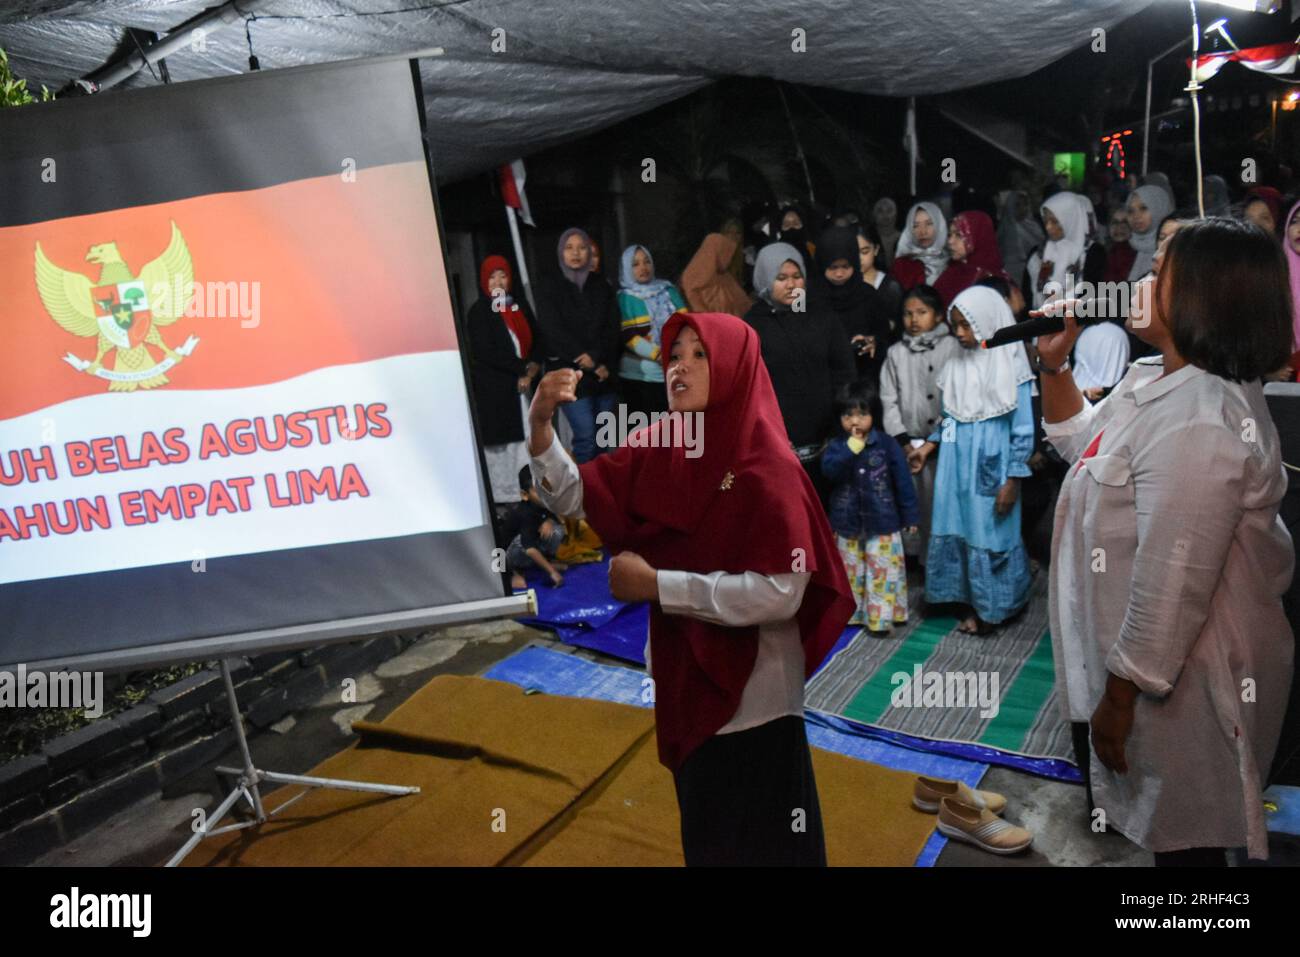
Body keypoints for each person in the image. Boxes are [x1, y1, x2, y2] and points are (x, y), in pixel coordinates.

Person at [526, 311, 855, 866]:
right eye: (674, 355)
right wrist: (539, 427)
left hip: (758, 697)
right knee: (709, 840)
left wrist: (659, 586)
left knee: (771, 845)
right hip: (683, 677)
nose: (680, 367)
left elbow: (782, 591)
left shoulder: (767, 464)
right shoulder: (661, 446)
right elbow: (577, 496)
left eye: (700, 354)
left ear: (735, 366)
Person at [1037, 217, 1294, 864]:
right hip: (1144, 661)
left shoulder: (1203, 423)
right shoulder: (1153, 376)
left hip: (1183, 677)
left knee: (1187, 841)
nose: (1142, 282)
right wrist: (1055, 365)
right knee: (1172, 831)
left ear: (1204, 296)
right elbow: (1082, 447)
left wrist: (1118, 701)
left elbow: (1169, 588)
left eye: (1160, 271)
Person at [909, 286, 1036, 634]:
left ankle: (994, 608)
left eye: (967, 325)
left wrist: (1013, 479)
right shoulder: (957, 364)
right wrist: (929, 447)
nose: (961, 334)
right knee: (958, 528)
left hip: (992, 466)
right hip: (954, 465)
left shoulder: (1012, 364)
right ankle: (966, 600)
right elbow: (951, 418)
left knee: (989, 533)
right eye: (956, 326)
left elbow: (1023, 429)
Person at [744, 243, 856, 502]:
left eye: (797, 276)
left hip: (828, 441)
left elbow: (844, 372)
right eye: (781, 278)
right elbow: (750, 389)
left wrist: (838, 426)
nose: (791, 284)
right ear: (764, 279)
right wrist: (769, 436)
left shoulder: (822, 316)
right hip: (779, 445)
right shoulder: (752, 326)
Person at [821, 382, 918, 633]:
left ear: (873, 415)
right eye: (848, 415)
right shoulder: (836, 446)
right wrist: (849, 450)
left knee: (882, 570)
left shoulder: (887, 444)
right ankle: (853, 615)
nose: (855, 420)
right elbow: (829, 472)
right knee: (851, 571)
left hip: (883, 521)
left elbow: (903, 482)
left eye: (862, 414)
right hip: (847, 523)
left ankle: (880, 619)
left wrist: (910, 516)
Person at [881, 284, 962, 572]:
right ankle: (912, 562)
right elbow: (888, 399)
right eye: (907, 314)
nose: (914, 320)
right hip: (907, 443)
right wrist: (903, 440)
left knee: (939, 506)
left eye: (922, 312)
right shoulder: (895, 353)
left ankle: (939, 566)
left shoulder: (952, 348)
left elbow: (956, 400)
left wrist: (933, 443)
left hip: (942, 443)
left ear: (939, 316)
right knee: (910, 503)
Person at [533, 228, 621, 463]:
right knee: (586, 437)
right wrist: (588, 360)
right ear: (560, 252)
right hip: (571, 376)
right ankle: (581, 493)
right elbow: (553, 331)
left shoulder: (601, 285)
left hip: (603, 375)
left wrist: (600, 360)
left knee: (604, 441)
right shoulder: (550, 286)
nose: (576, 253)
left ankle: (601, 492)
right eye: (569, 248)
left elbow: (612, 328)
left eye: (581, 247)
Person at [465, 255, 540, 506]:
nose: (498, 281)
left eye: (503, 275)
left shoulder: (517, 306)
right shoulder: (480, 311)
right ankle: (504, 501)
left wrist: (530, 371)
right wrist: (520, 369)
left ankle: (531, 496)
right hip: (496, 393)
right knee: (502, 451)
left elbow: (536, 341)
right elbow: (486, 352)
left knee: (527, 445)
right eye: (492, 276)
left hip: (523, 390)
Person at [811, 225, 893, 383]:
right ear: (822, 264)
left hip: (860, 383)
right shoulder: (805, 295)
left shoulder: (869, 295)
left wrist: (872, 342)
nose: (839, 273)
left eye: (846, 266)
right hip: (818, 383)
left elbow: (886, 339)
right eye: (833, 267)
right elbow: (793, 332)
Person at [617, 244, 687, 416]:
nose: (643, 267)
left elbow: (686, 324)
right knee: (650, 435)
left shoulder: (668, 290)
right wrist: (659, 355)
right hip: (642, 377)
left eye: (647, 261)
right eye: (635, 264)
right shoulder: (625, 298)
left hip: (675, 370)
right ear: (627, 268)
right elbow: (628, 336)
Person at [500, 465, 566, 590]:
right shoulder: (525, 513)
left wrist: (549, 521)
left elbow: (560, 520)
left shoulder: (545, 504)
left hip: (531, 543)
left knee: (556, 530)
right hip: (507, 556)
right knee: (521, 542)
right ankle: (515, 572)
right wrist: (552, 572)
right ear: (525, 495)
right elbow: (529, 548)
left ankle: (546, 560)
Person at [1026, 192, 1087, 308]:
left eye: (1054, 221)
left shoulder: (1089, 256)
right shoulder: (1040, 254)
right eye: (1045, 221)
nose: (1048, 227)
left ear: (1070, 219)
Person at [934, 210, 1006, 306]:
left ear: (978, 237)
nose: (950, 241)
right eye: (949, 235)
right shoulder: (952, 271)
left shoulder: (991, 280)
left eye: (959, 235)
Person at [681, 231, 753, 316]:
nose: (728, 258)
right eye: (725, 253)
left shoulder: (722, 275)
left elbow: (741, 301)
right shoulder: (692, 279)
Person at [857, 222, 904, 343]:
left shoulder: (890, 287)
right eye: (853, 252)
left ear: (876, 249)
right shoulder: (841, 283)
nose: (858, 259)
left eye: (864, 251)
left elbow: (898, 327)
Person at [889, 202, 949, 293]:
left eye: (929, 223)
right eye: (915, 226)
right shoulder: (901, 265)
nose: (923, 231)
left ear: (939, 225)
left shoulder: (953, 261)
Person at [997, 189, 1045, 294]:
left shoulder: (1034, 226)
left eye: (1025, 204)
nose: (1022, 208)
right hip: (1011, 271)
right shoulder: (1006, 227)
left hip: (1032, 270)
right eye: (1017, 205)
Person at [1102, 207, 1136, 284]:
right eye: (1115, 222)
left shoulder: (1140, 255)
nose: (1120, 227)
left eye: (1125, 222)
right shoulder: (1104, 253)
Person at [873, 197, 900, 271]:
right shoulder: (868, 239)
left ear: (896, 214)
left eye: (889, 210)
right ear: (874, 215)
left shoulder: (904, 238)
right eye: (880, 211)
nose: (885, 215)